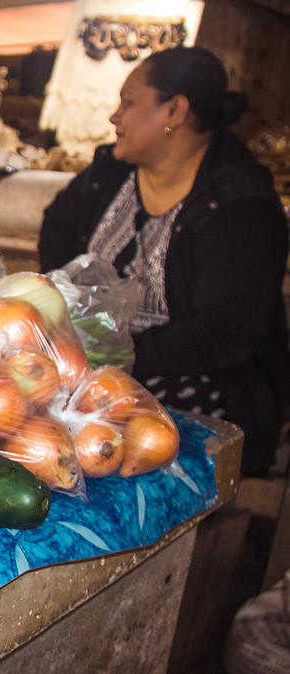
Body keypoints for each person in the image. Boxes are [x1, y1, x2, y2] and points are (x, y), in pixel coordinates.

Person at [39, 46, 290, 476]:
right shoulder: (111, 174)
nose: (115, 117)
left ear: (175, 110)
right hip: (99, 360)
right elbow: (57, 225)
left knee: (99, 423)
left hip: (202, 378)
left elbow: (223, 336)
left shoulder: (240, 205)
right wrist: (66, 306)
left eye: (128, 102)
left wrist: (111, 355)